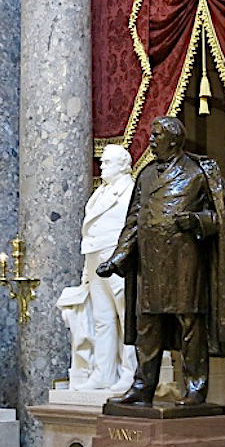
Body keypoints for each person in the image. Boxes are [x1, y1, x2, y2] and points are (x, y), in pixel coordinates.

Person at [96, 117, 225, 406]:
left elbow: (224, 219)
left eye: (157, 135)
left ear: (173, 140)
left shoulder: (199, 172)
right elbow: (134, 221)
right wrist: (118, 258)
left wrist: (198, 221)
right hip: (150, 264)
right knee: (148, 326)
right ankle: (142, 386)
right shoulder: (146, 175)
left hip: (184, 263)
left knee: (190, 324)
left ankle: (196, 387)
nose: (151, 141)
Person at [69, 144, 137, 391]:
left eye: (107, 162)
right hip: (95, 256)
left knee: (126, 316)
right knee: (102, 318)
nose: (102, 166)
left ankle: (131, 373)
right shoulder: (99, 193)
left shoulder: (130, 191)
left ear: (122, 165)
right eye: (102, 161)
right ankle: (103, 372)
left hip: (118, 258)